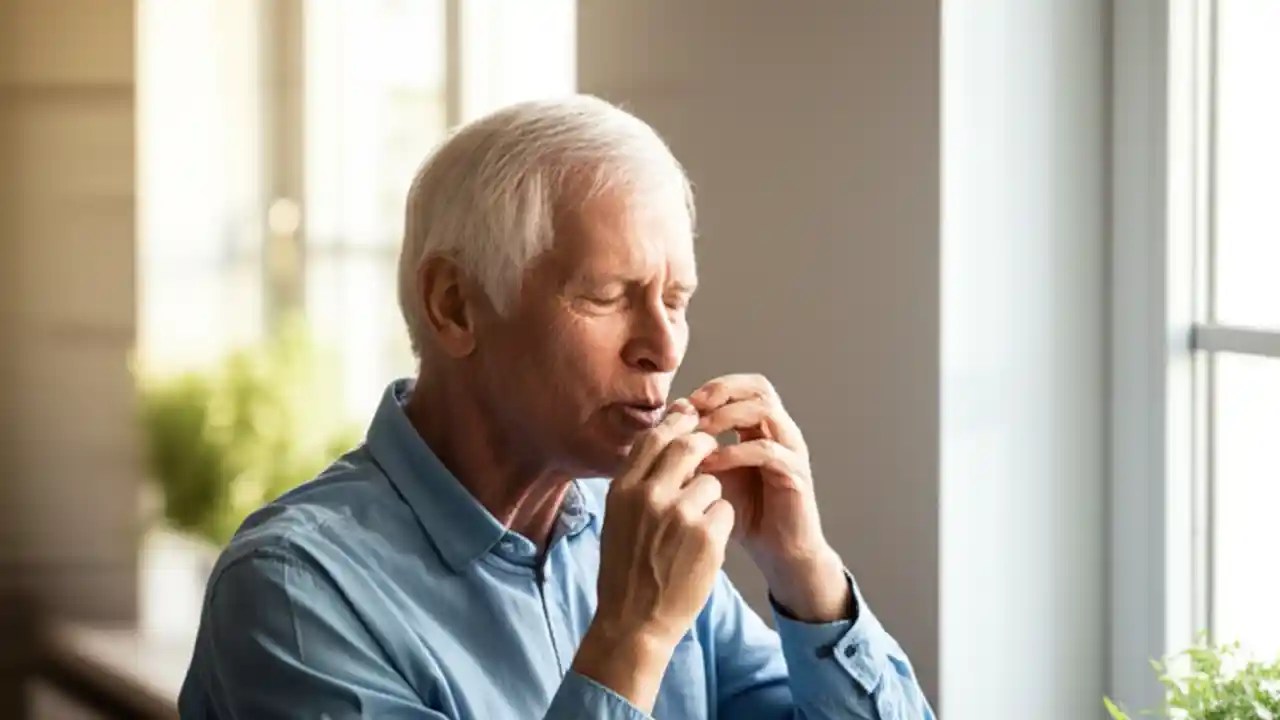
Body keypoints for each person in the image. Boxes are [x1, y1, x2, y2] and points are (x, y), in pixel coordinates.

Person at [178, 95, 935, 719]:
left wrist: (805, 575)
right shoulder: (292, 592)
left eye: (677, 300)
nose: (664, 348)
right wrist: (631, 638)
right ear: (456, 308)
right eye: (608, 297)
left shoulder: (631, 526)